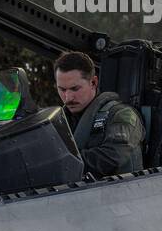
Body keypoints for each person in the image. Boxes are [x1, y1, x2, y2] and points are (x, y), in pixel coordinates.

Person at [53, 50, 145, 178]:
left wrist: (58, 163)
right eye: (62, 89)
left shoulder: (121, 115)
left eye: (75, 88)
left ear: (93, 83)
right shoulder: (58, 122)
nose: (68, 97)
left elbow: (112, 157)